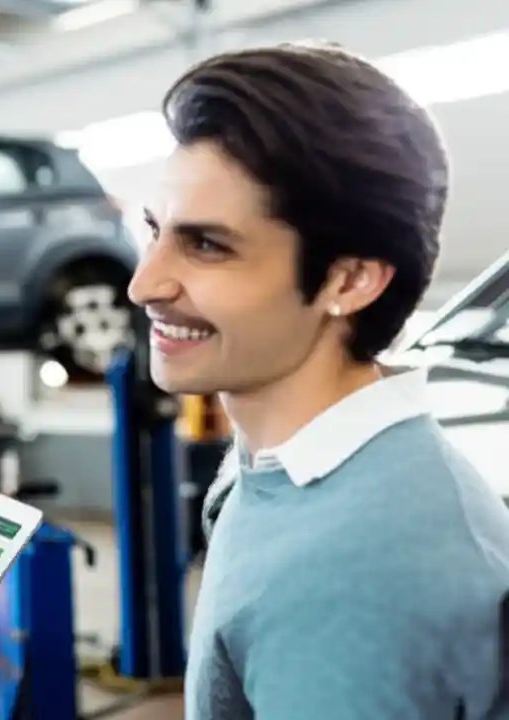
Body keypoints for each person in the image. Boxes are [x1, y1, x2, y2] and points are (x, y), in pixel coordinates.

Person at [129, 43, 509, 719]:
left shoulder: (359, 574)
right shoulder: (287, 468)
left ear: (349, 280)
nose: (144, 283)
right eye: (155, 231)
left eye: (207, 245)